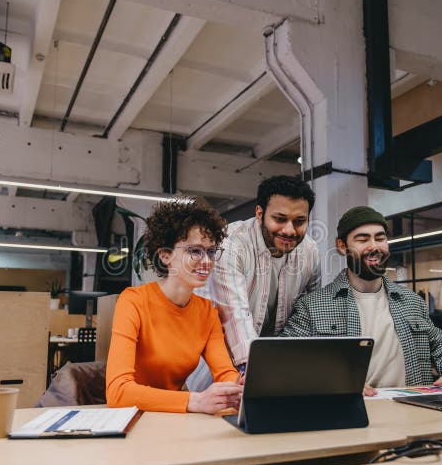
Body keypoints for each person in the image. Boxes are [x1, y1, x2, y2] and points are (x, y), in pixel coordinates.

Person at [281, 206, 442, 392]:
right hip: (350, 413)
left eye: (380, 238)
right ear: (342, 246)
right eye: (362, 239)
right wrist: (333, 380)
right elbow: (285, 361)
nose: (374, 247)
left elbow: (441, 345)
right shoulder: (312, 306)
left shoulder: (412, 301)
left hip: (414, 410)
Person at [105, 198, 242, 413]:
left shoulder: (207, 312)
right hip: (130, 416)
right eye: (195, 251)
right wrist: (194, 401)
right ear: (165, 255)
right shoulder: (133, 301)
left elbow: (225, 373)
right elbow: (118, 392)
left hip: (174, 418)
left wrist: (238, 388)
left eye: (211, 252)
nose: (206, 261)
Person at [208, 175, 321, 366]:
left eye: (299, 221)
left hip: (277, 365)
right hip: (225, 364)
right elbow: (234, 316)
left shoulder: (309, 250)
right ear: (260, 214)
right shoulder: (231, 243)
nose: (289, 230)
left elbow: (313, 310)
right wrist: (253, 369)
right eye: (280, 219)